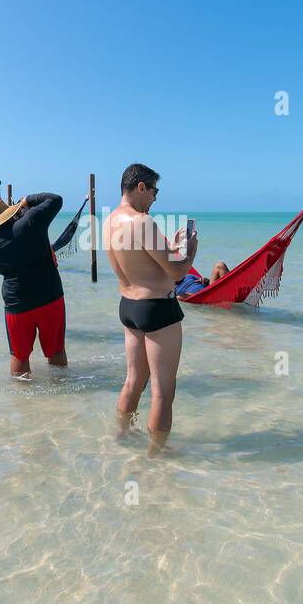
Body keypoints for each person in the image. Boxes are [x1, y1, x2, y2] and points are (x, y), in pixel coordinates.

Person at [104, 163, 196, 456]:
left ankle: (121, 435)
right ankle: (155, 455)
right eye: (155, 191)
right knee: (162, 390)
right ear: (141, 187)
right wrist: (190, 248)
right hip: (157, 309)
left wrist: (174, 247)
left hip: (129, 306)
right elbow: (178, 272)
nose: (155, 198)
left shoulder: (108, 221)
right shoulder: (142, 222)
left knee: (133, 380)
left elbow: (145, 261)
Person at [0, 192, 67, 378]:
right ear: (7, 210)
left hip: (17, 304)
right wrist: (27, 200)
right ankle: (62, 393)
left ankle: (22, 403)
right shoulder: (31, 220)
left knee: (20, 356)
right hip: (50, 296)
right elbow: (55, 199)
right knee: (56, 351)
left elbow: (2, 269)